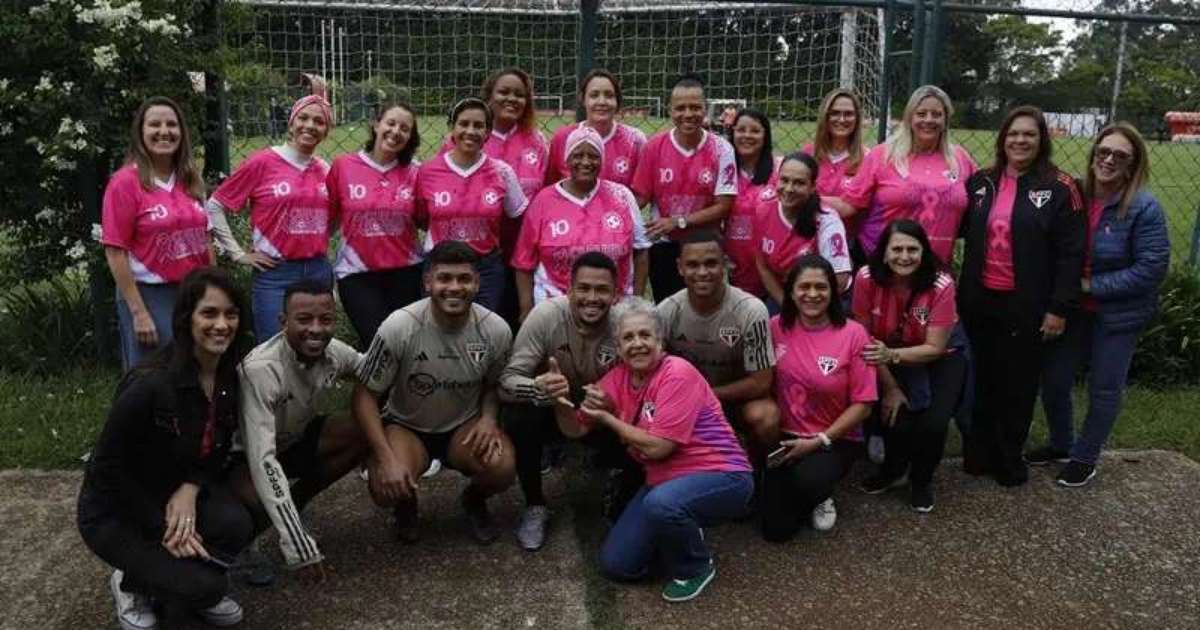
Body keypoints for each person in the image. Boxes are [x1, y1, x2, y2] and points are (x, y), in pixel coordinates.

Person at [78, 267, 253, 630]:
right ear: (186, 317)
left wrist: (191, 487)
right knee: (207, 586)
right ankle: (131, 585)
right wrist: (161, 528)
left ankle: (164, 578)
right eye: (209, 313)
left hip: (170, 493)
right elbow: (105, 469)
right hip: (115, 511)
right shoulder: (150, 383)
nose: (222, 324)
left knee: (235, 525)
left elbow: (217, 447)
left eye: (231, 314)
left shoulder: (228, 375)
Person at [569, 297, 753, 603]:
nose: (637, 343)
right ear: (618, 345)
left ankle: (695, 566)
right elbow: (576, 428)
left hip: (723, 475)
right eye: (628, 337)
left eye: (645, 335)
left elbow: (658, 448)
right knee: (616, 565)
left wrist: (610, 419)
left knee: (663, 505)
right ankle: (681, 530)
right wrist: (561, 400)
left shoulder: (677, 372)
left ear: (660, 340)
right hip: (664, 484)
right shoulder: (618, 378)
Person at [1033, 122, 1169, 487]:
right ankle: (1062, 443)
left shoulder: (1143, 207)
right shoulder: (1076, 192)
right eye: (1103, 151)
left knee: (1105, 388)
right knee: (1055, 379)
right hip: (1074, 309)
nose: (1108, 160)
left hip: (1118, 314)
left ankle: (1084, 456)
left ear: (1132, 164)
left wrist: (1091, 285)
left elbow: (1151, 268)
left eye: (1119, 155)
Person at [354, 241, 516, 544]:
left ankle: (473, 499)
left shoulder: (496, 330)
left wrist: (489, 419)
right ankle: (405, 502)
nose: (454, 287)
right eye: (445, 278)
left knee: (502, 466)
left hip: (463, 427)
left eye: (464, 279)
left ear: (477, 283)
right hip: (407, 426)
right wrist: (383, 455)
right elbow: (364, 395)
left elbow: (495, 385)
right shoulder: (399, 326)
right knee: (382, 488)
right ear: (428, 282)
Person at [958, 105, 1086, 486]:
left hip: (1027, 305)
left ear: (1041, 139)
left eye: (1029, 134)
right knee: (982, 378)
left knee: (1018, 384)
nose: (1020, 140)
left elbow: (1072, 254)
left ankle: (1009, 457)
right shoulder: (981, 181)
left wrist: (1059, 308)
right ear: (1002, 139)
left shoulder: (1061, 187)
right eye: (1013, 134)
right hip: (980, 299)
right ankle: (978, 453)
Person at [226, 280, 367, 582]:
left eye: (326, 319)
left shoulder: (334, 352)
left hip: (293, 440)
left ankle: (294, 506)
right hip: (245, 457)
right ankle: (244, 547)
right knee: (259, 504)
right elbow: (262, 460)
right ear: (283, 322)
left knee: (361, 430)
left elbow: (374, 370)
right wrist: (297, 544)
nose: (316, 329)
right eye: (304, 319)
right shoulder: (261, 370)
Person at [500, 252, 639, 551]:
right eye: (584, 288)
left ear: (616, 293)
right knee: (519, 416)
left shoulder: (626, 324)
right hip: (553, 409)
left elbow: (649, 385)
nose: (592, 297)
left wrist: (615, 400)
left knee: (643, 420)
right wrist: (538, 388)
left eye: (602, 290)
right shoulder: (546, 316)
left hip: (602, 411)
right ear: (569, 289)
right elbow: (507, 381)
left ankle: (620, 489)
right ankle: (535, 505)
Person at [851, 220, 967, 512]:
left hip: (940, 356)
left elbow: (935, 348)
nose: (905, 257)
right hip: (884, 353)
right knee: (896, 416)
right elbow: (864, 338)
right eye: (897, 249)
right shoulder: (866, 278)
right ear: (884, 252)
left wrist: (891, 355)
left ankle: (921, 480)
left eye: (912, 249)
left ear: (924, 251)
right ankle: (891, 472)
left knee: (934, 423)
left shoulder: (942, 284)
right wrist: (890, 387)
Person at [763, 254, 876, 541]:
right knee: (775, 532)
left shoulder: (854, 334)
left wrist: (820, 440)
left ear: (834, 291)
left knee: (807, 479)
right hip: (785, 438)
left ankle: (821, 493)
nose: (812, 294)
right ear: (790, 291)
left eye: (821, 287)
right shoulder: (775, 327)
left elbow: (864, 404)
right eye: (804, 287)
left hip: (833, 440)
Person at [208, 94, 335, 341]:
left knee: (313, 344)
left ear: (326, 130)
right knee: (273, 347)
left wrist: (318, 237)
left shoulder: (325, 169)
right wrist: (237, 253)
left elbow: (335, 216)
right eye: (304, 118)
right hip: (276, 272)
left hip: (318, 270)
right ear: (291, 122)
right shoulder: (263, 161)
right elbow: (215, 206)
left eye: (319, 122)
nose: (310, 125)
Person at [102, 96, 213, 369]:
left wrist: (213, 289)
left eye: (172, 124)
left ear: (182, 133)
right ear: (141, 133)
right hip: (151, 293)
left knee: (194, 369)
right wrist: (138, 312)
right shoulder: (125, 183)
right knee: (152, 377)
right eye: (154, 124)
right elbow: (115, 251)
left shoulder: (190, 179)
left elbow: (206, 240)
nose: (164, 131)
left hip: (194, 291)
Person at [657, 232, 779, 456]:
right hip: (685, 403)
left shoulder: (751, 310)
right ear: (680, 267)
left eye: (711, 263)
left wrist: (705, 395)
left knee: (765, 416)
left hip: (735, 400)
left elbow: (761, 383)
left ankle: (763, 469)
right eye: (693, 265)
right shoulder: (666, 311)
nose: (702, 272)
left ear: (725, 264)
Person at [513, 125, 650, 320]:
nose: (585, 162)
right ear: (567, 159)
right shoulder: (544, 200)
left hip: (614, 306)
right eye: (578, 155)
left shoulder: (622, 196)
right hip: (556, 306)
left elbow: (641, 250)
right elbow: (523, 262)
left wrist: (635, 302)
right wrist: (526, 310)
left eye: (593, 156)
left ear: (602, 160)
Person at [836, 85, 976, 264]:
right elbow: (848, 205)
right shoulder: (883, 155)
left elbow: (985, 200)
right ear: (909, 117)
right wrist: (806, 197)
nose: (929, 119)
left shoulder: (960, 158)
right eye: (921, 113)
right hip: (882, 262)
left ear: (946, 119)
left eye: (936, 114)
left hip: (936, 267)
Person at [631, 75, 737, 302]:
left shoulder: (722, 149)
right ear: (670, 110)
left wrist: (678, 221)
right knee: (668, 311)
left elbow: (724, 206)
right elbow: (641, 196)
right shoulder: (654, 147)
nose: (688, 114)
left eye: (695, 107)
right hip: (665, 245)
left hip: (705, 245)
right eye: (680, 108)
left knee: (707, 309)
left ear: (705, 109)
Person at [416, 98, 528, 313]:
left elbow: (517, 216)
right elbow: (421, 218)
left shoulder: (502, 172)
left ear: (488, 132)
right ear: (452, 127)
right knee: (439, 328)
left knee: (481, 331)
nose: (471, 131)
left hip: (485, 267)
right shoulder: (427, 171)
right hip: (440, 266)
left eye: (478, 126)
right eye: (464, 124)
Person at [327, 101, 424, 347]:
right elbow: (330, 218)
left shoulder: (416, 173)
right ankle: (372, 384)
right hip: (356, 272)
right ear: (376, 124)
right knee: (378, 344)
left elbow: (427, 220)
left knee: (406, 344)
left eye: (405, 128)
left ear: (410, 136)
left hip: (406, 271)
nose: (396, 131)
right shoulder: (343, 166)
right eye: (391, 123)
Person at [754, 152, 853, 309]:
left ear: (812, 187)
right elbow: (763, 266)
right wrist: (787, 306)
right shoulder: (763, 211)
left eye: (799, 183)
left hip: (826, 298)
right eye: (784, 180)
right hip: (784, 294)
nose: (789, 189)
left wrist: (805, 313)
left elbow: (839, 280)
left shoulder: (827, 221)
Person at [545, 69, 647, 189]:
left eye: (609, 95)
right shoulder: (562, 138)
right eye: (594, 95)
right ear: (583, 99)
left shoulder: (635, 140)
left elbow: (641, 192)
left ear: (617, 101)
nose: (602, 102)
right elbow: (551, 186)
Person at [802, 88, 869, 253]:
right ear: (825, 117)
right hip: (807, 239)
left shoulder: (867, 158)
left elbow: (851, 208)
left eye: (848, 114)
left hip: (849, 245)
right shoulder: (808, 153)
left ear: (857, 119)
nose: (841, 119)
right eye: (835, 113)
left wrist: (807, 199)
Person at [724, 108, 780, 297]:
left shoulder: (780, 169)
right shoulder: (722, 169)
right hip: (734, 264)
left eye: (755, 131)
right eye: (741, 130)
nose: (747, 136)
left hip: (774, 262)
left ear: (766, 136)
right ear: (733, 133)